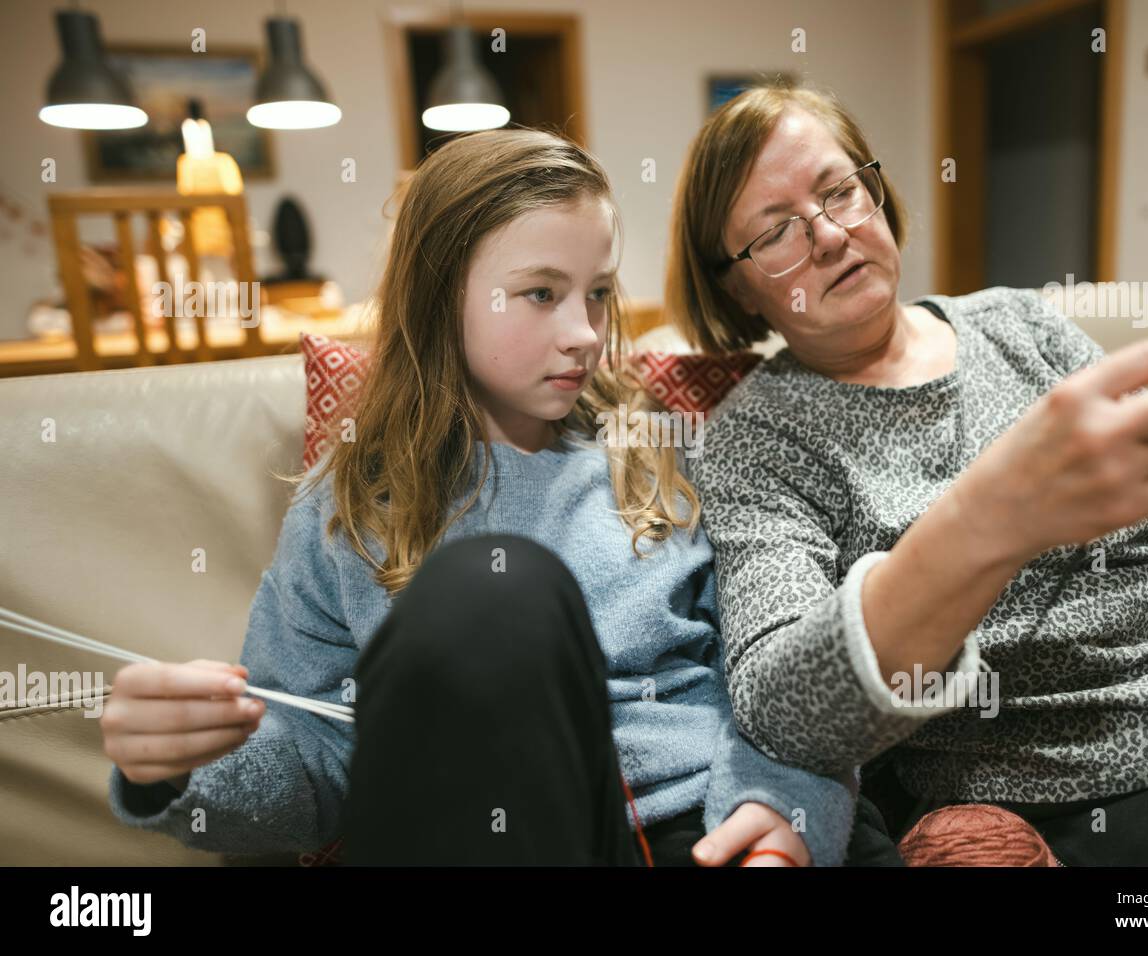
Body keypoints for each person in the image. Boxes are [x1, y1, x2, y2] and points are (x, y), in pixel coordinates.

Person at [99, 128, 873, 867]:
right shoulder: (349, 507)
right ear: (440, 299)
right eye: (540, 293)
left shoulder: (665, 456)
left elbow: (779, 680)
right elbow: (312, 752)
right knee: (494, 581)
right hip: (491, 833)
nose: (584, 333)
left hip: (707, 829)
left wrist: (785, 811)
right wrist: (177, 769)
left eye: (598, 293)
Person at [665, 79, 1148, 865]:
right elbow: (784, 707)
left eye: (840, 192)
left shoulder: (1022, 322)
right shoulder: (757, 442)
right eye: (777, 234)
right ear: (736, 285)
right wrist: (992, 517)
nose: (829, 236)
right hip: (1086, 791)